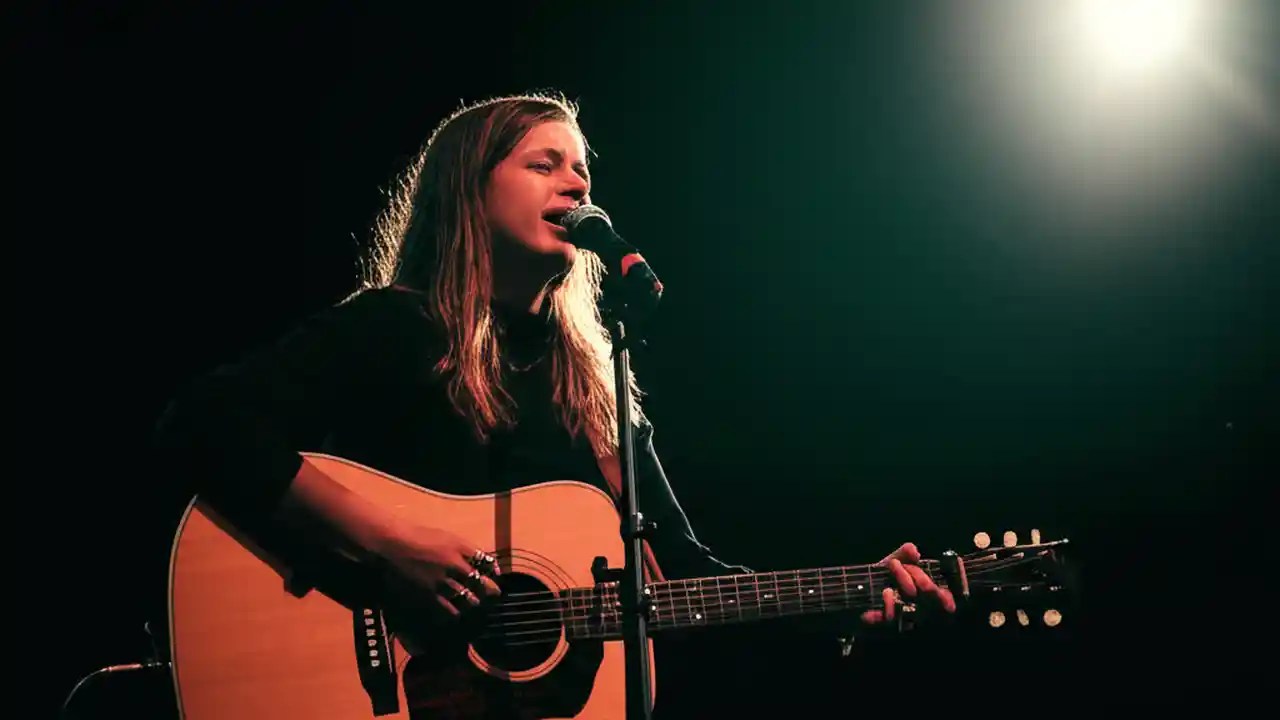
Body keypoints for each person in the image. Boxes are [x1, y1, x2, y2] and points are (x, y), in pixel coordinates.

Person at [150, 90, 954, 710]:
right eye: (543, 164)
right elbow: (202, 423)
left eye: (582, 172)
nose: (575, 182)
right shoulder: (396, 329)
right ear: (469, 192)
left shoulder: (598, 390)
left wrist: (848, 601)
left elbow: (678, 578)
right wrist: (394, 544)